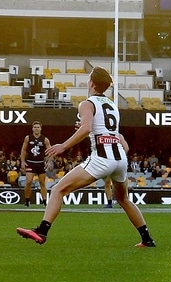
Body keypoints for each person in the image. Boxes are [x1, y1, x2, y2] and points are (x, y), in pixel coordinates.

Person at [17, 67, 155, 248]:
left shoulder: (86, 103)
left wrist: (63, 146)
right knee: (123, 199)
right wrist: (85, 128)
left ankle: (42, 231)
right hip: (120, 158)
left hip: (102, 158)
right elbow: (115, 136)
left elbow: (88, 128)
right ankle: (147, 239)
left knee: (58, 189)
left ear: (91, 83)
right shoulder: (113, 105)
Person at [20, 121, 52, 207]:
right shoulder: (28, 138)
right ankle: (27, 200)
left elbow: (50, 152)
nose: (36, 129)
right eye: (35, 127)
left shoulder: (45, 139)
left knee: (42, 183)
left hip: (40, 163)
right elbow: (23, 150)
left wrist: (49, 162)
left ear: (41, 128)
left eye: (38, 127)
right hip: (30, 162)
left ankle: (45, 201)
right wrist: (22, 161)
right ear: (32, 128)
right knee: (28, 181)